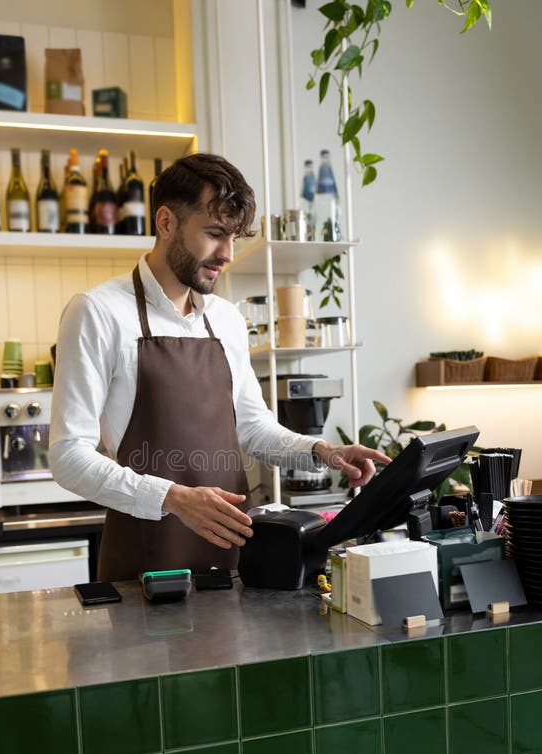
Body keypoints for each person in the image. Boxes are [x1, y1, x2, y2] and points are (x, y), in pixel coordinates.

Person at [49, 153, 389, 581]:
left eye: (233, 236)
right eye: (214, 234)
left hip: (230, 562)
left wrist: (323, 452)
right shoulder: (97, 311)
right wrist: (173, 498)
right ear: (166, 222)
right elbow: (67, 456)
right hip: (143, 569)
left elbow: (252, 429)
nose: (226, 253)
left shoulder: (226, 319)